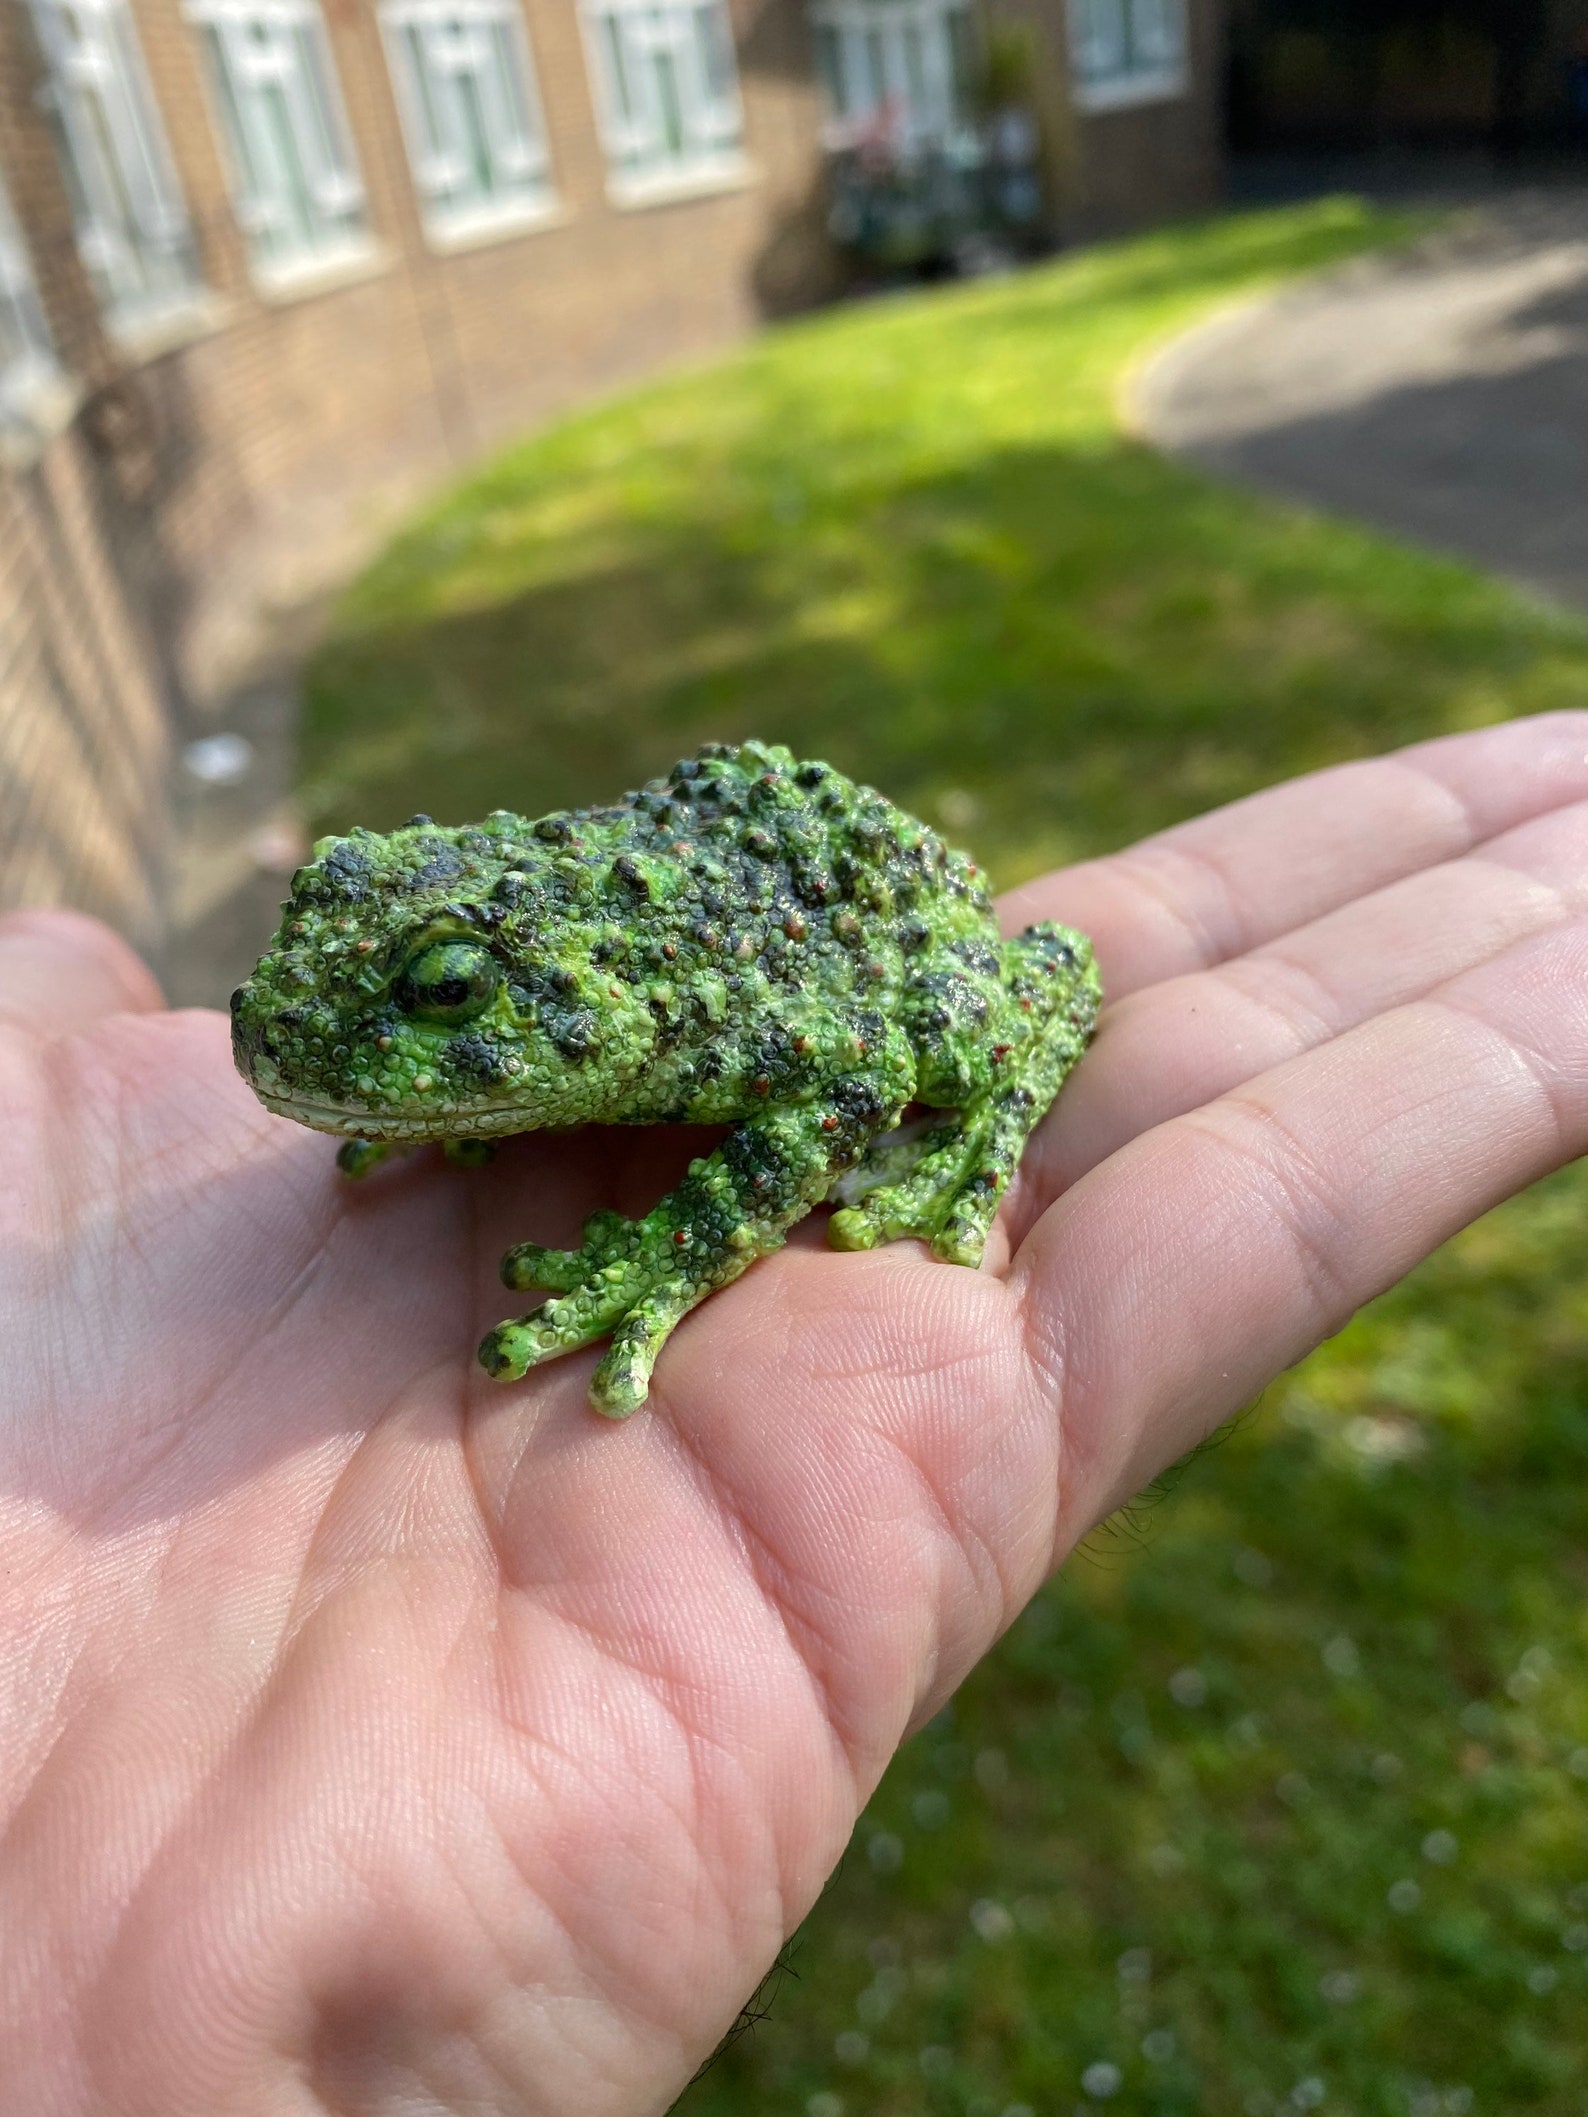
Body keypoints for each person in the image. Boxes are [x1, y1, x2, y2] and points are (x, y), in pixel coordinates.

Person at [4, 712, 1587, 2115]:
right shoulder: (561, 987)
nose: (279, 1025)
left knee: (945, 1032)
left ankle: (971, 1112)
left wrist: (664, 1253)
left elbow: (832, 1085)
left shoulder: (699, 1003)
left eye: (441, 998)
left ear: (560, 996)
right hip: (700, 848)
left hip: (846, 909)